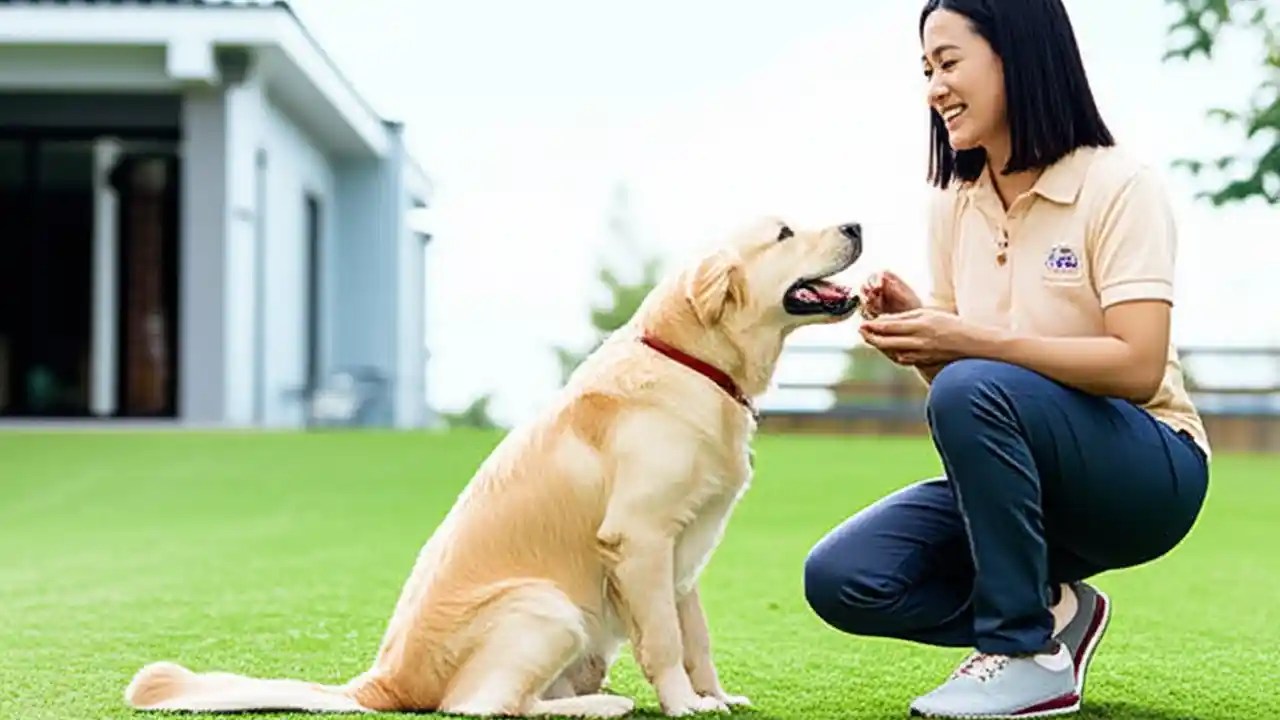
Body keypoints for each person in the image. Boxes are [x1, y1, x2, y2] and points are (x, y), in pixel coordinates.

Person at [801, 0, 1211, 718]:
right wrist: (925, 335)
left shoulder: (1118, 185)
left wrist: (966, 342)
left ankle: (1022, 652)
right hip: (1028, 485)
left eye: (950, 62)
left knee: (971, 382)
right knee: (845, 577)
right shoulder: (954, 204)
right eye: (926, 69)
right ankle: (1054, 614)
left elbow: (1139, 366)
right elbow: (964, 395)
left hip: (1148, 474)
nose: (933, 87)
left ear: (1017, 54)